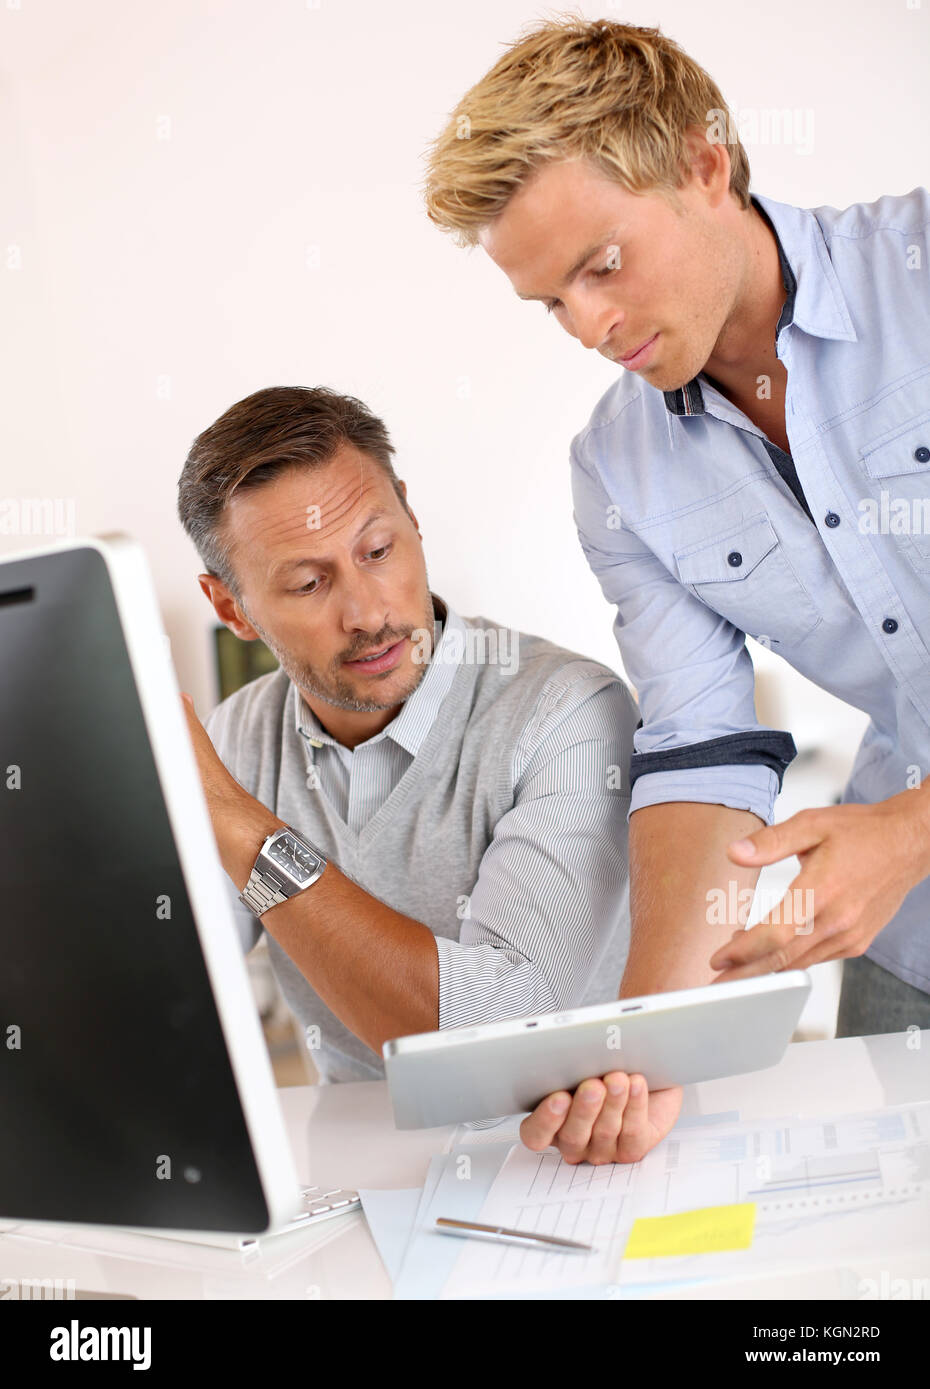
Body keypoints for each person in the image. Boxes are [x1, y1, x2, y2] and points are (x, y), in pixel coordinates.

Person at [423, 17, 930, 1161]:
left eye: (601, 265)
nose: (592, 326)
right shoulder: (618, 472)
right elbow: (700, 746)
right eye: (552, 302)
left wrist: (907, 830)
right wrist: (653, 1044)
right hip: (915, 957)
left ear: (707, 164)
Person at [175, 383, 679, 1160]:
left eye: (378, 552)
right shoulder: (239, 736)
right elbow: (158, 974)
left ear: (411, 516)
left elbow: (493, 1038)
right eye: (308, 584)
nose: (368, 613)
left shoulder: (570, 714)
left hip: (577, 1166)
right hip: (367, 1172)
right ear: (232, 609)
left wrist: (236, 824)